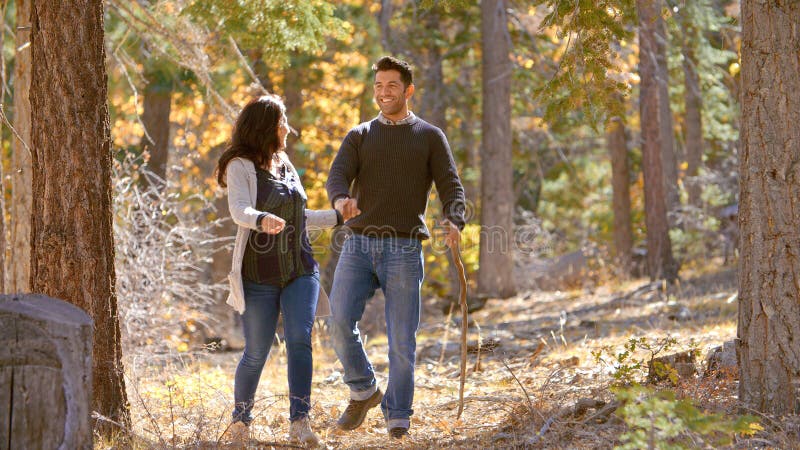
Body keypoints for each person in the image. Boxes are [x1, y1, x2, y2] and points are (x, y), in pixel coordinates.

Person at [326, 56, 466, 439]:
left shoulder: (429, 136)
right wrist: (341, 200)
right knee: (338, 322)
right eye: (378, 86)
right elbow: (338, 176)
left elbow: (451, 185)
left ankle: (398, 415)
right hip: (358, 243)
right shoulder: (360, 135)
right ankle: (364, 389)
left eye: (391, 86)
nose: (384, 93)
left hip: (404, 248)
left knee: (402, 340)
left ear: (408, 90)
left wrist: (454, 218)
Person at [216, 94, 341, 446]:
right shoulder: (239, 166)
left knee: (300, 340)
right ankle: (240, 424)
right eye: (283, 120)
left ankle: (299, 423)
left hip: (300, 268)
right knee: (256, 350)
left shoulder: (284, 162)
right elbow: (239, 210)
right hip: (258, 275)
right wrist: (261, 218)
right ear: (267, 126)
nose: (289, 127)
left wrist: (339, 217)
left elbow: (301, 217)